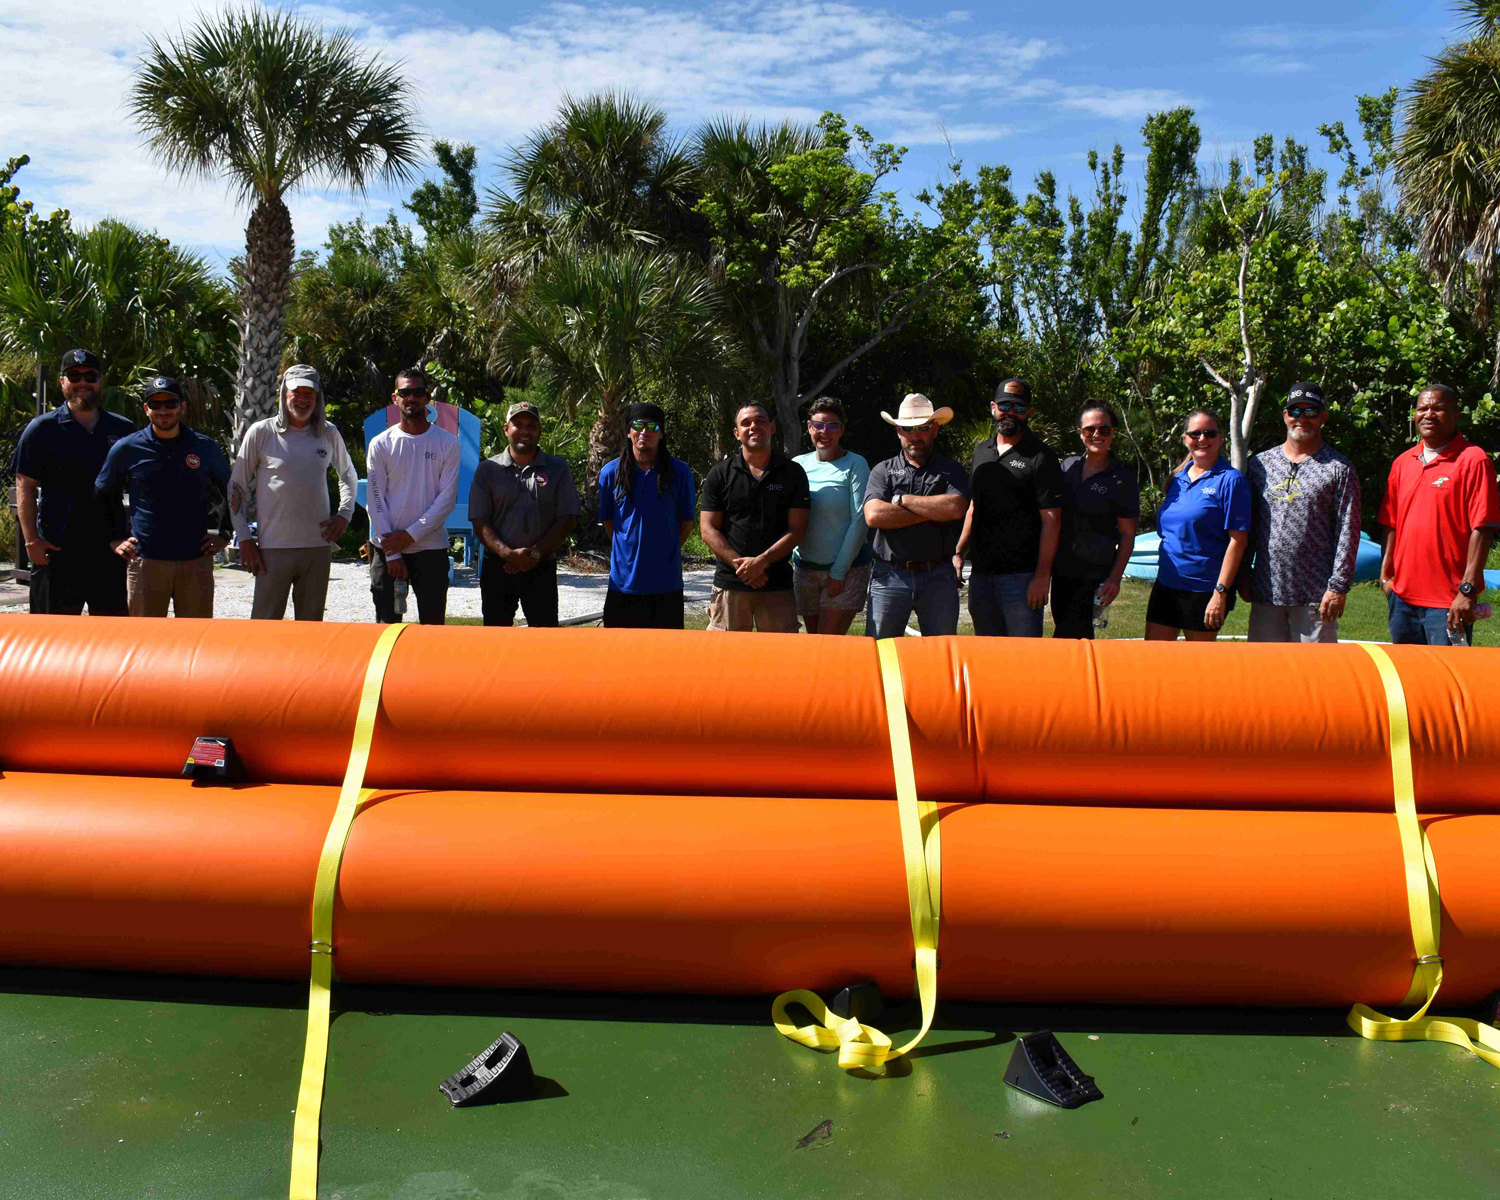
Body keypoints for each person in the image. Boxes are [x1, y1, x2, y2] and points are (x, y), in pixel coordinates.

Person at [94, 375, 231, 618]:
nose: (163, 410)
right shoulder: (127, 448)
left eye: (170, 403)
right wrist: (114, 540)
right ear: (146, 409)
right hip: (146, 562)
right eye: (155, 404)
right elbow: (103, 494)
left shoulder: (204, 447)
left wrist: (225, 533)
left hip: (195, 562)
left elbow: (231, 490)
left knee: (194, 642)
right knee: (145, 644)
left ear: (182, 407)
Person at [228, 365, 358, 621]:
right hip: (272, 548)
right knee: (265, 626)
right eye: (295, 391)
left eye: (308, 393)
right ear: (283, 394)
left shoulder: (328, 433)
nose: (301, 399)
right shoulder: (262, 432)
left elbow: (349, 476)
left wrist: (344, 514)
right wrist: (243, 538)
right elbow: (236, 487)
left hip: (318, 547)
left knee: (311, 627)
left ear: (318, 397)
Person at [10, 348, 134, 615]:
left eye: (89, 376)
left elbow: (143, 487)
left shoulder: (122, 430)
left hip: (109, 555)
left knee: (111, 641)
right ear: (62, 381)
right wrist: (32, 542)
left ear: (100, 381)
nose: (82, 383)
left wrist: (133, 537)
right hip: (56, 553)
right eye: (73, 375)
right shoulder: (42, 429)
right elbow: (25, 487)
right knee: (50, 643)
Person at [1379, 383, 1499, 645]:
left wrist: (1466, 591)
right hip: (1402, 599)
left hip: (1449, 602)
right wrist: (1386, 577)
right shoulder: (1402, 462)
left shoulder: (1474, 460)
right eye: (1423, 408)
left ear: (1456, 415)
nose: (1429, 414)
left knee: (1448, 681)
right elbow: (1391, 522)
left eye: (1438, 408)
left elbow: (1483, 528)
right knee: (1408, 679)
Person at [1243, 382, 1361, 643]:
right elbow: (1248, 525)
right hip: (1265, 591)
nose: (1302, 419)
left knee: (1315, 679)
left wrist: (1338, 587)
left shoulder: (1339, 468)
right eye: (1296, 411)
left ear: (1323, 417)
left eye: (1311, 412)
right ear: (1285, 415)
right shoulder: (1261, 464)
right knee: (1265, 675)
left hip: (1315, 597)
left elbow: (1348, 531)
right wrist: (1243, 573)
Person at [956, 378, 1065, 637]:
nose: (1011, 413)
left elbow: (1052, 521)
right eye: (1005, 405)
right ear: (993, 407)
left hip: (1022, 577)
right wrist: (959, 551)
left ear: (1029, 412)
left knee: (1023, 660)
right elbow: (974, 506)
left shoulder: (1041, 457)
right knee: (987, 655)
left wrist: (1042, 576)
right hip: (981, 575)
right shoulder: (981, 450)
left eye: (1019, 408)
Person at [863, 393, 970, 638]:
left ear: (935, 429)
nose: (915, 435)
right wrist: (934, 511)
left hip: (939, 576)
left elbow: (955, 508)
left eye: (922, 427)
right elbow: (874, 515)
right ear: (898, 430)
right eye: (908, 428)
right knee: (881, 652)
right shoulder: (883, 470)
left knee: (941, 653)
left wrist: (903, 500)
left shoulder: (951, 470)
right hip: (889, 574)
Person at [699, 402, 810, 632]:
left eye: (760, 421)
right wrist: (743, 567)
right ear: (737, 433)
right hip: (730, 583)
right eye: (746, 423)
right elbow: (708, 529)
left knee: (780, 661)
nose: (753, 427)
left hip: (776, 583)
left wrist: (762, 562)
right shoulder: (719, 473)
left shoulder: (792, 473)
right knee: (725, 662)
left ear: (772, 427)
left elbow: (798, 529)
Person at [469, 400, 580, 628]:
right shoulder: (488, 469)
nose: (525, 431)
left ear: (539, 431)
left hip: (541, 567)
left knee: (544, 642)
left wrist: (535, 555)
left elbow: (568, 517)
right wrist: (508, 554)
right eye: (518, 424)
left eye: (531, 425)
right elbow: (480, 521)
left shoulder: (558, 468)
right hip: (498, 568)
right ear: (506, 429)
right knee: (495, 640)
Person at [1145, 408, 1250, 641]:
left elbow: (1238, 541)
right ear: (1185, 439)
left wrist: (1220, 593)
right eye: (1195, 434)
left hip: (1204, 590)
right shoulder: (1176, 479)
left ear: (1220, 438)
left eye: (1209, 433)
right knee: (1153, 663)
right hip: (1166, 584)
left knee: (1199, 668)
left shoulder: (1231, 480)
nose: (1202, 439)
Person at [367, 367, 459, 625]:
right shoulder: (381, 443)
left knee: (432, 628)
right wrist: (393, 553)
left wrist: (409, 536)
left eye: (417, 392)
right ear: (395, 398)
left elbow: (446, 500)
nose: (411, 398)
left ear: (427, 397)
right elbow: (375, 499)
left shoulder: (448, 443)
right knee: (386, 628)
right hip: (386, 549)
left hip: (430, 550)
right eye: (405, 392)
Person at [597, 402, 695, 629]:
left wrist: (663, 551)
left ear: (661, 433)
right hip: (623, 586)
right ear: (629, 432)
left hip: (666, 586)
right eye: (638, 425)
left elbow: (686, 522)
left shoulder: (680, 472)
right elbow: (609, 523)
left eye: (653, 426)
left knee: (666, 659)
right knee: (619, 657)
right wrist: (628, 552)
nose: (645, 432)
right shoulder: (611, 473)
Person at [1052, 401, 1139, 639]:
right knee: (1062, 629)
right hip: (1061, 570)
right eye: (1090, 429)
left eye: (1104, 430)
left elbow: (1128, 534)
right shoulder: (1067, 467)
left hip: (1094, 573)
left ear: (1113, 433)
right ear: (1080, 433)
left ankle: (1081, 677)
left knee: (1077, 636)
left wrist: (1114, 578)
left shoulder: (1122, 479)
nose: (1097, 435)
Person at [792, 397, 871, 635]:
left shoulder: (856, 464)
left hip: (845, 571)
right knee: (813, 646)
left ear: (842, 429)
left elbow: (860, 520)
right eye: (818, 425)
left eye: (832, 425)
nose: (824, 431)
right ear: (809, 427)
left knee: (828, 644)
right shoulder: (797, 465)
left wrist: (838, 572)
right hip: (805, 570)